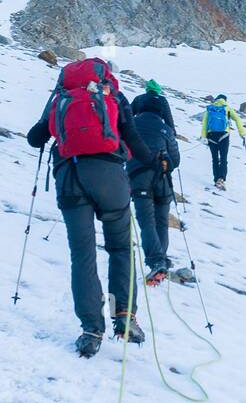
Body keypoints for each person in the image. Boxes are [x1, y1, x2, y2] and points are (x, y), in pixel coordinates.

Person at [26, 58, 155, 358]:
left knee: (82, 254)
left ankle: (91, 330)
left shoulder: (60, 98)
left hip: (69, 178)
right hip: (109, 178)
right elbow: (134, 139)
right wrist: (154, 163)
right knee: (120, 249)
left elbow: (35, 139)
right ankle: (123, 316)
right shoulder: (112, 95)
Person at [129, 94, 181, 285]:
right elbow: (176, 160)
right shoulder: (165, 129)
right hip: (163, 181)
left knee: (147, 222)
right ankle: (160, 263)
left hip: (140, 179)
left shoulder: (131, 124)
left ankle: (157, 262)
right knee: (161, 222)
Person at [201, 93, 246, 190]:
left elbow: (204, 123)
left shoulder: (210, 108)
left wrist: (203, 136)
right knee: (223, 158)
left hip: (211, 136)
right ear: (225, 100)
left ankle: (216, 179)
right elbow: (237, 119)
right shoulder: (227, 108)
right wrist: (242, 133)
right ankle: (221, 179)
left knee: (215, 159)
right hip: (224, 135)